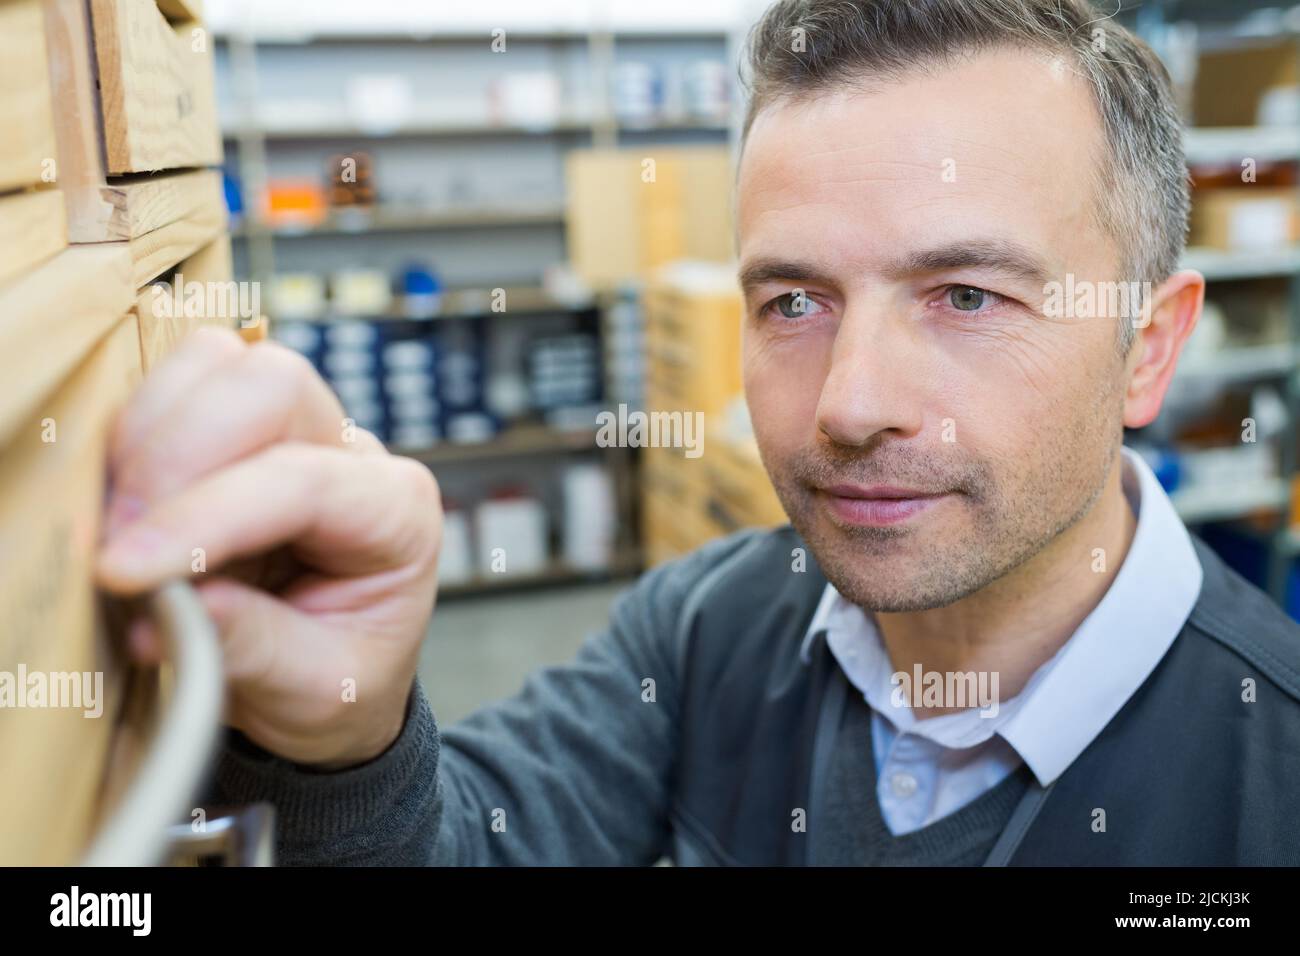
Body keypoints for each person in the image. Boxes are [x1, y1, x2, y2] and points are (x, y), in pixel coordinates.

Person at [97, 0, 1300, 865]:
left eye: (967, 296)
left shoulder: (1270, 774)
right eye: (793, 300)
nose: (846, 401)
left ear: (1147, 344)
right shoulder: (705, 622)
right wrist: (347, 741)